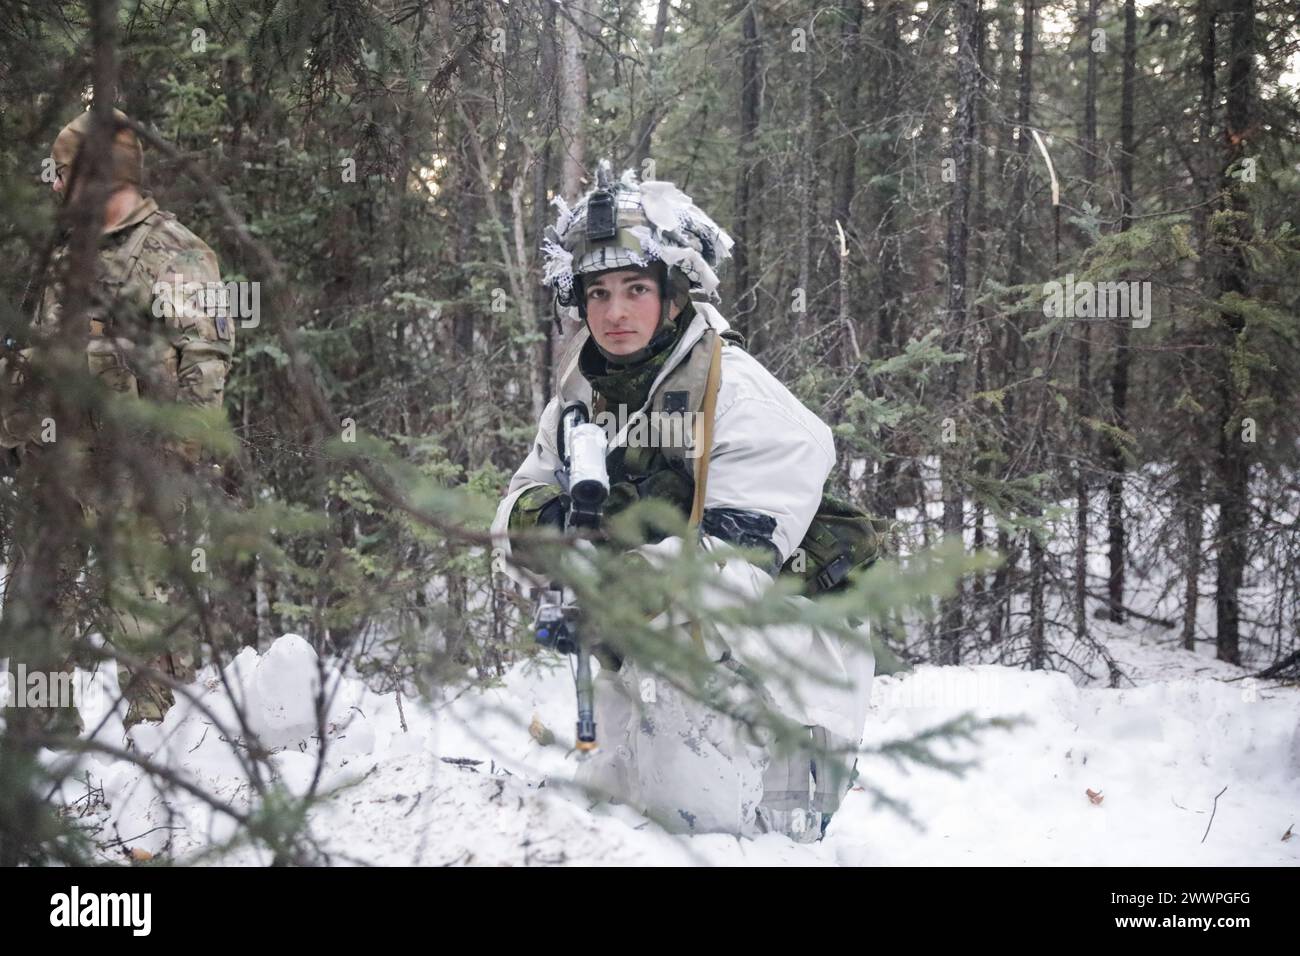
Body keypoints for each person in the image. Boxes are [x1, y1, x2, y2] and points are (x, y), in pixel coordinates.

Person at [491, 163, 874, 842]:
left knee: (709, 835)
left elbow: (729, 573)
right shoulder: (581, 395)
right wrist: (552, 531)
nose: (613, 312)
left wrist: (604, 581)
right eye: (598, 292)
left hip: (776, 660)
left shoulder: (739, 395)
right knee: (611, 819)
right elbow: (513, 514)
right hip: (648, 648)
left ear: (673, 294)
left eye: (636, 289)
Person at [0, 108, 235, 733]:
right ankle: (41, 753)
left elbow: (207, 361)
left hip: (138, 474)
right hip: (60, 471)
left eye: (66, 172)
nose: (54, 184)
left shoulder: (175, 252)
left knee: (143, 623)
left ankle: (161, 764)